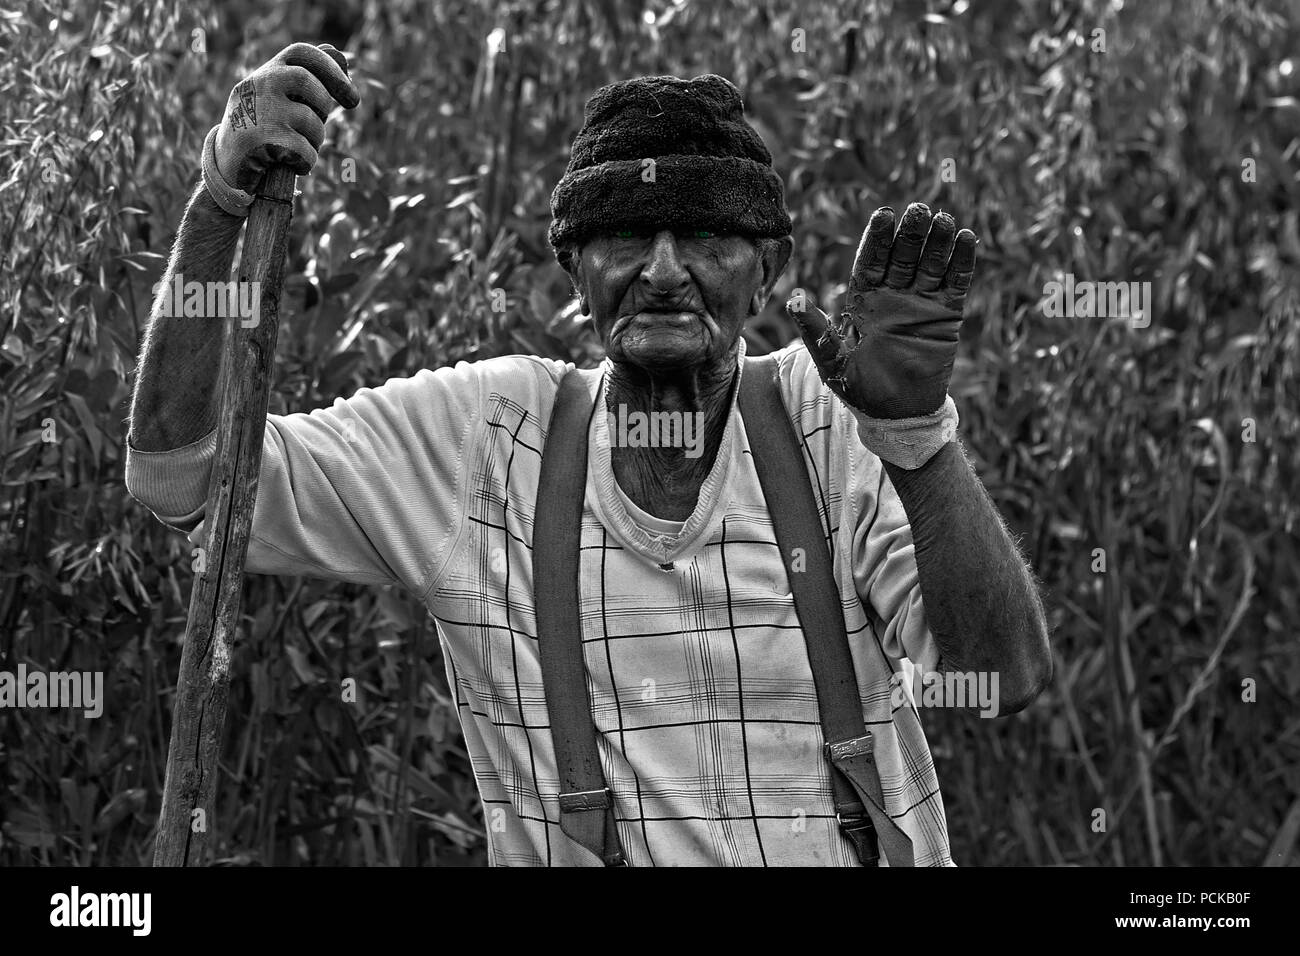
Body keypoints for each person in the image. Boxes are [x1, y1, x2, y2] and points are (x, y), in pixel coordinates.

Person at [127, 42, 1052, 866]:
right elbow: (185, 479)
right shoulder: (486, 438)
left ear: (767, 267)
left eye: (703, 237)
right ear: (574, 268)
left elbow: (1000, 679)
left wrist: (916, 439)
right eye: (621, 239)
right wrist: (221, 198)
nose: (659, 270)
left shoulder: (838, 421)